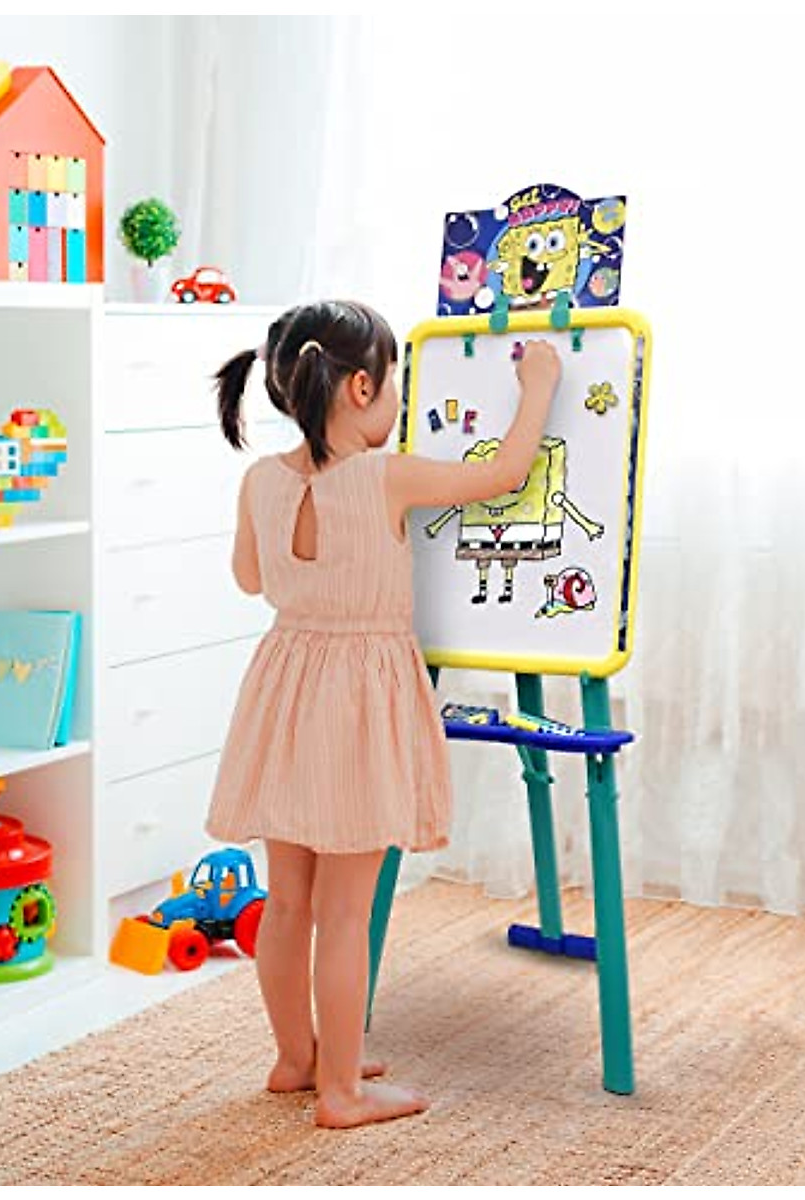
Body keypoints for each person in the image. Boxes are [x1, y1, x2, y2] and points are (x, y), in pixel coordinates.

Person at [206, 299, 560, 1129]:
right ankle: (341, 1091)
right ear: (361, 387)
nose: (398, 398)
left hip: (284, 691)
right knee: (346, 913)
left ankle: (298, 1058)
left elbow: (249, 580)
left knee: (288, 902)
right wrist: (539, 386)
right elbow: (503, 476)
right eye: (394, 382)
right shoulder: (386, 475)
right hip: (357, 703)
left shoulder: (260, 479)